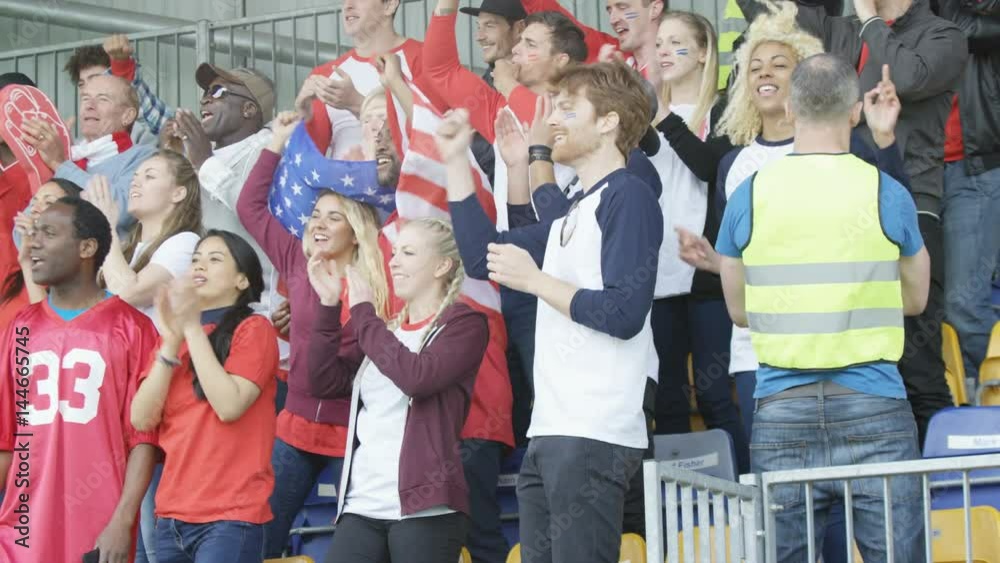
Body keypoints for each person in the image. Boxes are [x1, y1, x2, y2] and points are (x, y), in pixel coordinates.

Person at [443, 61, 663, 563]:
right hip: (549, 429)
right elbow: (483, 257)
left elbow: (625, 313)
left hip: (594, 431)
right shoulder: (574, 212)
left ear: (608, 121)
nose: (552, 120)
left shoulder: (629, 194)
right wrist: (456, 160)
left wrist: (537, 281)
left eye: (568, 108)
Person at [716, 53, 929, 562]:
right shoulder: (886, 190)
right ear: (855, 112)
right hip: (874, 402)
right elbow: (917, 298)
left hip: (781, 407)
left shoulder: (749, 194)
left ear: (789, 108)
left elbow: (740, 310)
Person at [737, 0, 967, 446]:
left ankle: (933, 497)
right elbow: (767, 7)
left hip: (910, 204)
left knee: (916, 366)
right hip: (840, 210)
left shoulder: (944, 35)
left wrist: (870, 21)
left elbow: (903, 75)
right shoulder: (839, 29)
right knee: (853, 366)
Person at [237, 112, 391, 558]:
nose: (319, 224)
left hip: (353, 433)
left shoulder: (380, 285)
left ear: (357, 232)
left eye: (334, 217)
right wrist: (276, 144)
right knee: (261, 536)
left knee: (355, 548)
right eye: (316, 215)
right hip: (295, 428)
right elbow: (250, 208)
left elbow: (343, 373)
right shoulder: (295, 261)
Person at [307, 218, 487, 563]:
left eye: (408, 252)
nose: (393, 261)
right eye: (394, 252)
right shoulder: (385, 330)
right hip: (361, 505)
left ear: (442, 265)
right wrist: (329, 306)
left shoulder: (464, 324)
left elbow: (416, 377)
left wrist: (362, 313)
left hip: (425, 511)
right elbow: (323, 381)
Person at [0, 197, 159, 563]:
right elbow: (6, 440)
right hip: (21, 531)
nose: (33, 243)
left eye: (49, 233)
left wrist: (123, 519)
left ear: (87, 247)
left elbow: (143, 438)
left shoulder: (133, 328)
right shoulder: (20, 328)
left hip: (98, 527)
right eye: (33, 232)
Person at [643, 10, 750, 474]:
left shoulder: (724, 108)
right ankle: (673, 505)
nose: (664, 51)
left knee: (712, 394)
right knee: (667, 397)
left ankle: (746, 492)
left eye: (675, 43)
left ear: (704, 51)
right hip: (660, 274)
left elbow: (712, 168)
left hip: (706, 272)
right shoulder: (647, 118)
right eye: (659, 44)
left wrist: (665, 117)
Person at [130, 231, 279, 563]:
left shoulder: (254, 329)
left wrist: (191, 327)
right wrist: (170, 341)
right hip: (171, 515)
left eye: (215, 259)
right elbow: (141, 418)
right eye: (196, 259)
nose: (200, 265)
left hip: (231, 516)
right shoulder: (174, 336)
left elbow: (228, 406)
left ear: (242, 280)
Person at [936, 0, 1000, 385]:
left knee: (963, 304)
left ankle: (988, 407)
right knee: (919, 310)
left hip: (974, 167)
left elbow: (964, 29)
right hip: (910, 170)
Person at [20, 74, 157, 235]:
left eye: (103, 99)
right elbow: (21, 231)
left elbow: (122, 210)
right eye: (85, 98)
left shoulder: (144, 157)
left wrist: (60, 164)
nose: (89, 106)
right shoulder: (70, 155)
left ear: (127, 116)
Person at [87, 151, 202, 322]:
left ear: (178, 193)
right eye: (135, 177)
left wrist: (106, 227)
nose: (135, 182)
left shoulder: (186, 243)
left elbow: (125, 294)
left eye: (149, 176)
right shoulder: (126, 248)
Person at [457, 0, 528, 182]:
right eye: (478, 27)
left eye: (489, 25)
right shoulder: (483, 85)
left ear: (519, 28)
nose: (479, 36)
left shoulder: (541, 82)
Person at [1, 179, 83, 327]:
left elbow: (47, 328)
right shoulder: (14, 276)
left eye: (49, 203)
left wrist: (27, 263)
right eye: (34, 202)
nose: (34, 209)